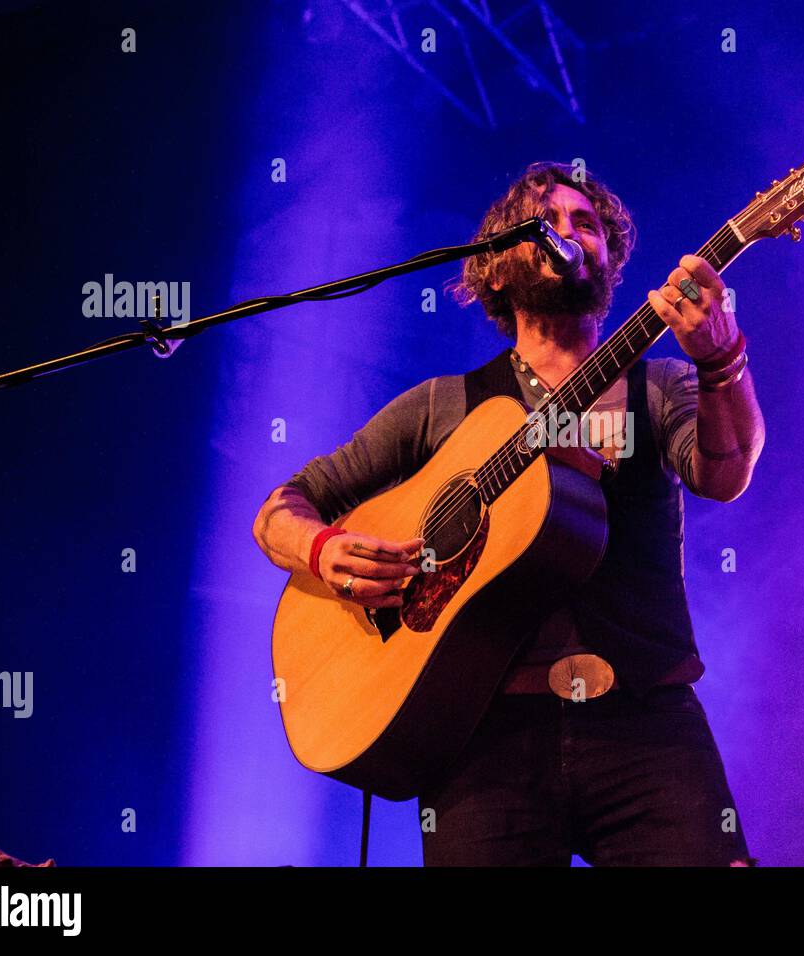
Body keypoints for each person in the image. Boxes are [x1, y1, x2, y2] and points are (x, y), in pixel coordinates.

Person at [252, 162, 764, 865]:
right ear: (493, 268)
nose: (566, 234)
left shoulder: (660, 384)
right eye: (542, 224)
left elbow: (727, 474)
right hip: (480, 737)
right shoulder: (441, 406)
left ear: (610, 258)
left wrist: (722, 360)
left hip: (648, 724)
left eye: (585, 224)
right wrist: (320, 552)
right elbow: (281, 508)